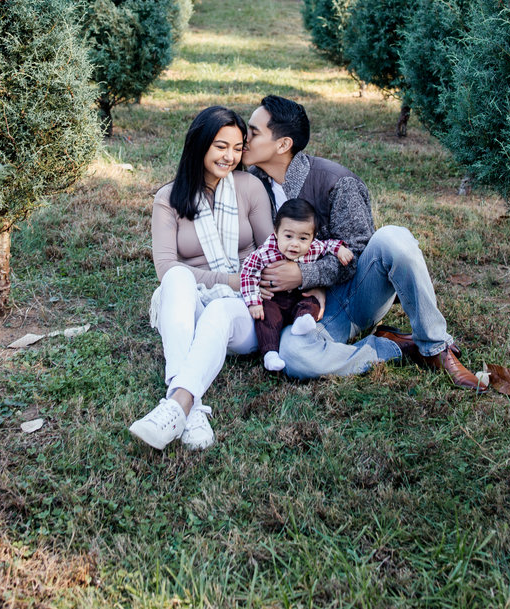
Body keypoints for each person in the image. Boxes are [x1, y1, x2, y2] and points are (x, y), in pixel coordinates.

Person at [241, 94, 486, 391]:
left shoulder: (336, 182)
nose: (244, 139)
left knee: (393, 238)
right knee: (294, 356)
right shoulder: (251, 183)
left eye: (253, 132)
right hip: (305, 310)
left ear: (283, 145)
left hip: (355, 294)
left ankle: (436, 347)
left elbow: (358, 253)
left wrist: (306, 275)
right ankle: (395, 348)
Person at [129, 106, 273, 452]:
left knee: (216, 312)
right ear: (200, 144)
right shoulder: (169, 198)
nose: (230, 156)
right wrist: (229, 279)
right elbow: (165, 266)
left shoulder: (249, 187)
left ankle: (178, 405)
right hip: (191, 301)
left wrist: (241, 285)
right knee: (176, 277)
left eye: (238, 148)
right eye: (221, 146)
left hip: (244, 308)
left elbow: (271, 252)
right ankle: (188, 411)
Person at [240, 198, 353, 372]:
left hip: (300, 295)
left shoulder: (313, 247)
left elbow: (327, 245)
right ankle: (270, 354)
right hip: (274, 299)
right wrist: (254, 301)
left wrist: (340, 249)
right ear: (276, 232)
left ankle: (303, 321)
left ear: (312, 238)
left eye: (303, 238)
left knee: (312, 302)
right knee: (266, 318)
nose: (295, 243)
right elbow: (248, 272)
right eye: (288, 236)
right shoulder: (265, 253)